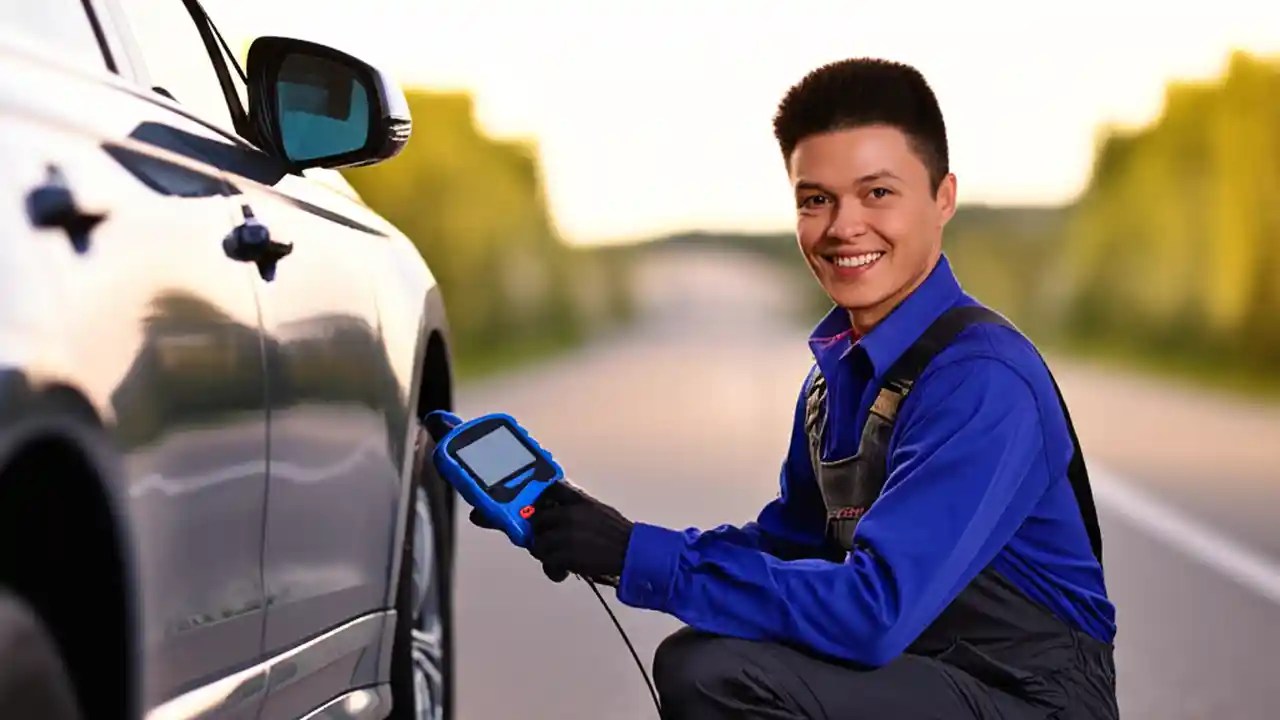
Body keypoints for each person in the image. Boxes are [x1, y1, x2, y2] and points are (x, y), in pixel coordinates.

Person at [460, 57, 1119, 719]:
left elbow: (872, 612)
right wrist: (603, 539)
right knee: (701, 657)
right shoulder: (834, 382)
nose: (843, 226)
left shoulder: (980, 379)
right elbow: (791, 551)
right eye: (815, 199)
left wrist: (640, 558)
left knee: (719, 674)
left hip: (1029, 699)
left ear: (943, 197)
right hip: (929, 680)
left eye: (878, 193)